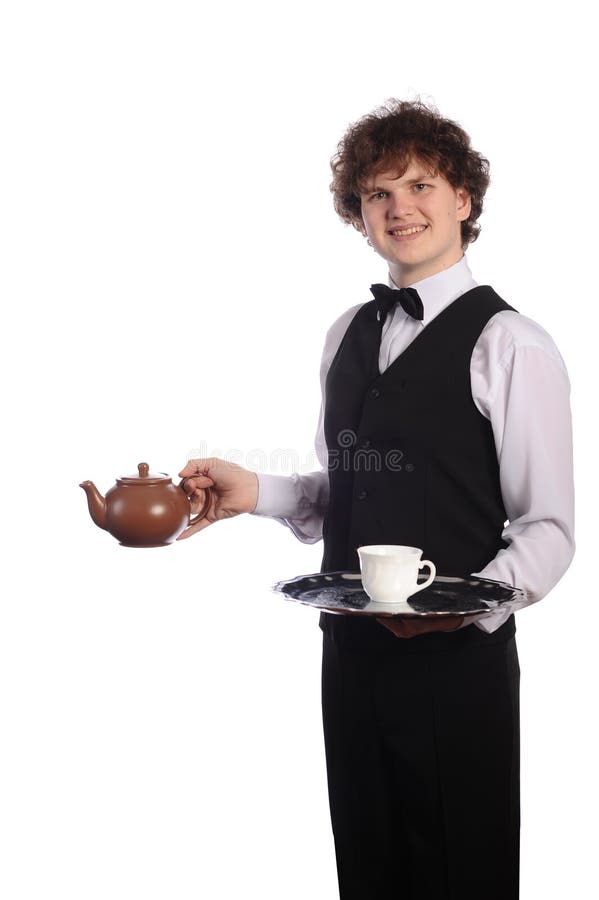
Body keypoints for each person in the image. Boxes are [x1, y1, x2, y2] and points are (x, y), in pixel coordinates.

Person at [178, 99, 575, 899]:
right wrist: (251, 492)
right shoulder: (345, 332)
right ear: (357, 214)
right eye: (377, 194)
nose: (401, 209)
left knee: (460, 866)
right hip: (349, 655)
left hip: (456, 668)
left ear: (463, 199)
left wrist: (467, 609)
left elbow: (549, 528)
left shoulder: (512, 344)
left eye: (421, 185)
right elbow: (344, 492)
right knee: (367, 863)